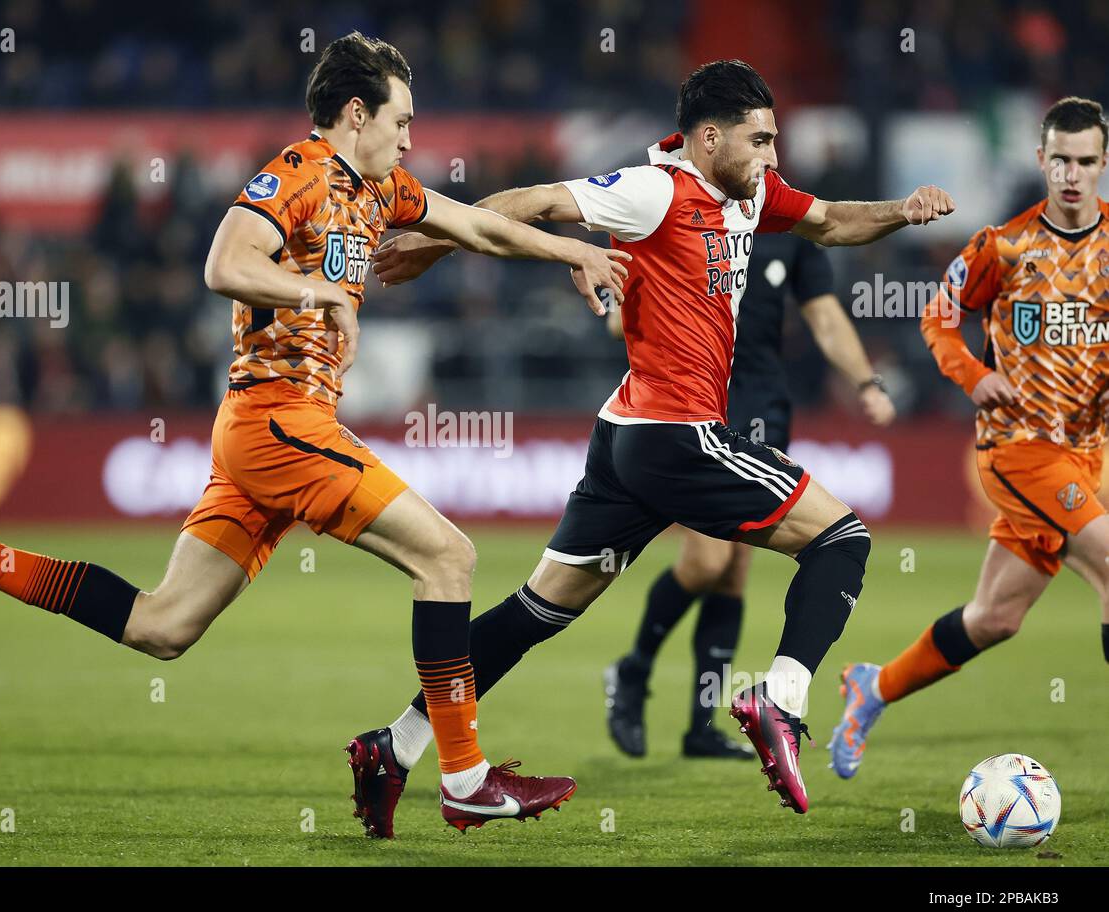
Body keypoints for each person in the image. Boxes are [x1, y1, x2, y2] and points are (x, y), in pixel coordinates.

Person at [0, 32, 630, 839]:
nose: (409, 138)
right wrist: (318, 291)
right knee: (450, 557)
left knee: (163, 626)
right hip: (277, 420)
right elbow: (224, 262)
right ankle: (463, 777)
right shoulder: (296, 172)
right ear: (355, 113)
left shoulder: (380, 189)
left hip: (263, 435)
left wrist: (572, 249)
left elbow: (479, 227)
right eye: (400, 119)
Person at [353, 59, 953, 835]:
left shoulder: (753, 195)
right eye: (759, 139)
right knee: (843, 537)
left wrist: (903, 210)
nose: (772, 156)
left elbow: (834, 221)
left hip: (627, 441)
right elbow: (535, 200)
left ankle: (394, 747)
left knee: (535, 613)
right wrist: (434, 246)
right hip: (677, 435)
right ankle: (780, 699)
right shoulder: (653, 190)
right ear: (709, 138)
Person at [829, 96, 1109, 778]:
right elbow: (938, 317)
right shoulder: (1004, 246)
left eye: (1088, 162)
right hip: (1019, 450)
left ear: (1103, 165)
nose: (1073, 175)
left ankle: (876, 686)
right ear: (1042, 161)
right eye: (1061, 161)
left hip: (1088, 455)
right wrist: (973, 375)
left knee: (994, 619)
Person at [603, 232, 895, 761]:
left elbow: (825, 316)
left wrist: (866, 383)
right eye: (760, 143)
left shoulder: (791, 230)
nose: (767, 158)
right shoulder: (692, 212)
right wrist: (620, 300)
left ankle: (699, 727)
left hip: (762, 402)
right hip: (694, 396)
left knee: (733, 568)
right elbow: (624, 299)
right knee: (707, 559)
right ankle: (633, 669)